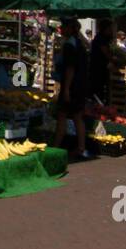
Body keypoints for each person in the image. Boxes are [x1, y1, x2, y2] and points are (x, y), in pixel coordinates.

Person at [53, 18, 91, 159]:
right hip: (80, 85)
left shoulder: (70, 45)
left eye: (63, 26)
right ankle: (81, 147)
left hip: (72, 86)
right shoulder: (79, 43)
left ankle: (55, 147)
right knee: (77, 116)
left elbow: (70, 68)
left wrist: (67, 89)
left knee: (62, 115)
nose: (61, 29)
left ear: (70, 28)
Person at [87, 19, 116, 104]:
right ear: (105, 29)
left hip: (101, 68)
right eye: (110, 28)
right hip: (97, 68)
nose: (111, 30)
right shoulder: (100, 38)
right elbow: (106, 52)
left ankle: (99, 104)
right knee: (97, 89)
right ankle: (97, 105)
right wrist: (113, 59)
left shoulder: (104, 38)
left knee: (100, 89)